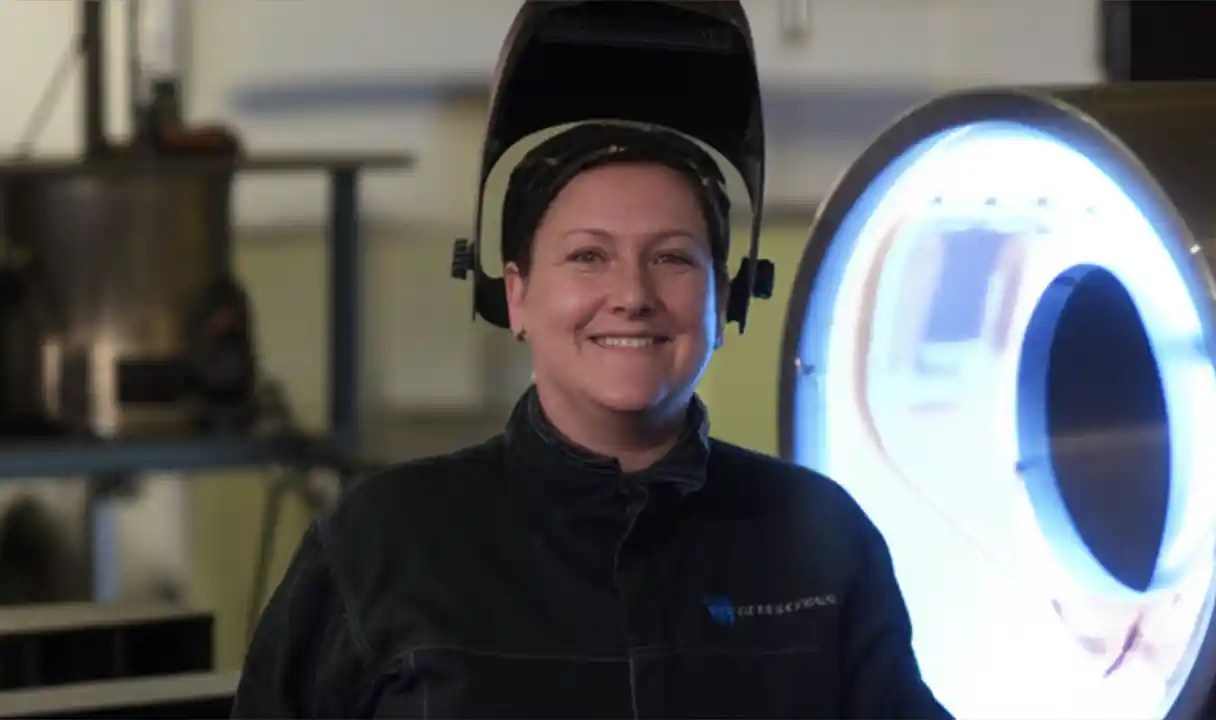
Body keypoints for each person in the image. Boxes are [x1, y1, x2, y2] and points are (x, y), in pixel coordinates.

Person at [230, 121, 950, 718]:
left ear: (724, 303)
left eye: (672, 258)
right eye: (588, 257)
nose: (632, 295)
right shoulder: (380, 541)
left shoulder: (818, 534)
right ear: (516, 297)